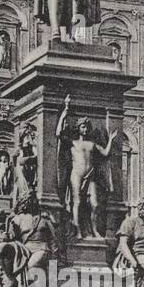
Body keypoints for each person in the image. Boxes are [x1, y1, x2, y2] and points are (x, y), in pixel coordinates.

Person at [56, 96, 116, 238]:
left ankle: (95, 230)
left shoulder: (92, 144)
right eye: (83, 126)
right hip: (76, 174)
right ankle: (77, 231)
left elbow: (106, 153)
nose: (86, 128)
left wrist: (111, 140)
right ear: (78, 128)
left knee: (95, 204)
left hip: (91, 175)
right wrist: (63, 115)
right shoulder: (73, 142)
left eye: (88, 126)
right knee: (76, 202)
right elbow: (58, 134)